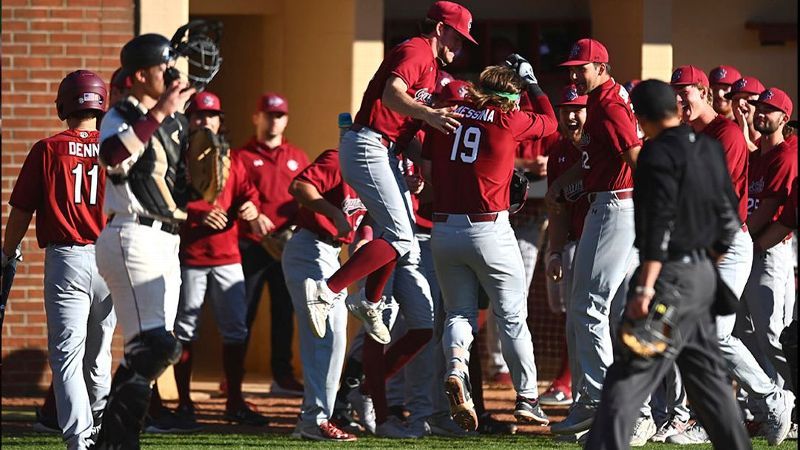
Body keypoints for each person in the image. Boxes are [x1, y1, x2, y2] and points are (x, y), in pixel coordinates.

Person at [583, 78, 753, 450]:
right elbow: (729, 220)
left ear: (641, 117)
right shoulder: (709, 147)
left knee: (630, 374)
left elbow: (655, 228)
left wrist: (645, 288)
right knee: (709, 382)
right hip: (704, 277)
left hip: (669, 279)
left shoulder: (654, 155)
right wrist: (704, 265)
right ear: (675, 109)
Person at [304, 0, 475, 345]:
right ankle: (327, 290)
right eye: (457, 37)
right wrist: (428, 114)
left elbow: (404, 131)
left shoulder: (430, 64)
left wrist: (431, 164)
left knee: (400, 234)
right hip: (368, 144)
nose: (459, 46)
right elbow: (391, 94)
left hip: (383, 148)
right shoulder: (417, 50)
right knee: (400, 235)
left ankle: (369, 302)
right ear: (440, 29)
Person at [423, 62, 557, 431]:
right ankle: (527, 398)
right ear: (509, 98)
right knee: (512, 316)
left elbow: (427, 169)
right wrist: (532, 83)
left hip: (444, 228)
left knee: (458, 313)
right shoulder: (507, 118)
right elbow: (550, 122)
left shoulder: (447, 113)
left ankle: (456, 368)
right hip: (488, 228)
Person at [93, 33, 196, 448]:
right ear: (139, 75)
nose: (170, 74)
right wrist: (161, 111)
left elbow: (182, 187)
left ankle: (115, 441)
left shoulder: (173, 121)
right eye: (162, 68)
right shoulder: (120, 113)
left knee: (150, 353)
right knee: (156, 347)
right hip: (132, 234)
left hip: (166, 241)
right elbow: (112, 157)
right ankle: (116, 441)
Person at [2, 70, 115, 450]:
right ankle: (100, 426)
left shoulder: (48, 149)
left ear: (65, 104)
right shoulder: (117, 149)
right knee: (99, 356)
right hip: (110, 258)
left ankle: (80, 439)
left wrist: (7, 253)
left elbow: (22, 209)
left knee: (67, 356)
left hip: (68, 258)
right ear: (101, 104)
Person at [547, 38, 645, 437]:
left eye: (581, 68)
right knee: (601, 311)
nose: (574, 75)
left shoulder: (608, 104)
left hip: (616, 206)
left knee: (589, 308)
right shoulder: (604, 99)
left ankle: (602, 402)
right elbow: (595, 161)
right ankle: (610, 405)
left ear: (601, 68)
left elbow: (636, 158)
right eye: (571, 69)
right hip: (609, 205)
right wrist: (563, 183)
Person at [171, 91, 270, 426]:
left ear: (220, 121)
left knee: (236, 330)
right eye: (198, 115)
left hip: (228, 255)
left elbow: (247, 193)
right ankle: (184, 403)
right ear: (188, 120)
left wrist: (250, 206)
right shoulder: (177, 156)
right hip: (190, 255)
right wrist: (197, 212)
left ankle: (235, 402)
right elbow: (165, 199)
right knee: (184, 330)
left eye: (211, 116)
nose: (204, 121)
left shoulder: (233, 157)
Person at [283, 124, 367, 441]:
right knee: (323, 338)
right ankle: (314, 420)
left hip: (331, 254)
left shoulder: (372, 172)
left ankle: (316, 418)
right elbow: (299, 186)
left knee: (334, 339)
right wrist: (333, 213)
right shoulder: (338, 158)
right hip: (310, 248)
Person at [235, 92, 309, 396]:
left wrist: (293, 227)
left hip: (286, 247)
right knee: (244, 312)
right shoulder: (241, 156)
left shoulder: (297, 157)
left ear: (286, 120)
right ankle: (234, 376)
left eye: (279, 116)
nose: (273, 121)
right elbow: (234, 195)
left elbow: (307, 197)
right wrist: (253, 214)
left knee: (284, 311)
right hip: (251, 244)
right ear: (257, 117)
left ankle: (283, 376)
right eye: (268, 115)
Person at [743, 87, 797, 391]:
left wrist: (740, 245)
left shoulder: (785, 155)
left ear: (784, 118)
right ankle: (763, 403)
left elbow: (770, 211)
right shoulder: (756, 156)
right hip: (749, 248)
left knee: (772, 334)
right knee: (744, 333)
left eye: (769, 109)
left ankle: (789, 398)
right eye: (759, 107)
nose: (761, 113)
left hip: (768, 250)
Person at [541, 84, 590, 409]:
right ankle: (578, 394)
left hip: (611, 245)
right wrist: (555, 251)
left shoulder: (602, 147)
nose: (571, 116)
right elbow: (557, 208)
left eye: (578, 109)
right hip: (573, 244)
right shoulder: (558, 151)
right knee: (573, 320)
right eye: (565, 110)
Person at [726, 76, 766, 151]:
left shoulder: (772, 137)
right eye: (736, 99)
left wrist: (747, 143)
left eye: (746, 98)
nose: (740, 103)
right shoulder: (727, 132)